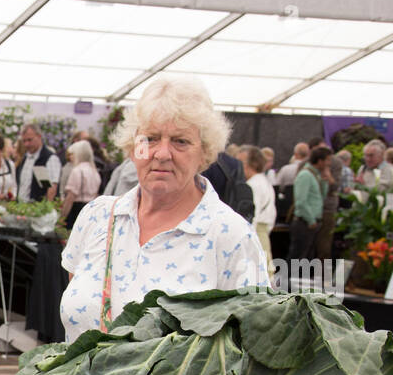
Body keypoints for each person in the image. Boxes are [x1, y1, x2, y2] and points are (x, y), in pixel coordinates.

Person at [59, 75, 268, 342]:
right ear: (133, 147)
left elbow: (250, 346)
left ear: (204, 151)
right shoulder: (97, 217)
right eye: (151, 138)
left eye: (180, 141)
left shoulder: (231, 236)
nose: (162, 153)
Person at [290, 146, 332, 261]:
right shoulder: (305, 175)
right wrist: (311, 220)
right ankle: (288, 278)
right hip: (304, 222)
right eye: (328, 160)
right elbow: (301, 201)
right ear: (320, 161)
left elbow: (321, 197)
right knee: (297, 257)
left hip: (312, 222)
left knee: (307, 258)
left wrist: (324, 181)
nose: (329, 163)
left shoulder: (316, 174)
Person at [242, 145, 276, 277]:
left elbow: (252, 215)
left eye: (241, 162)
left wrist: (249, 240)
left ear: (251, 164)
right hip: (263, 230)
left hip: (257, 231)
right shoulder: (264, 181)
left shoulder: (253, 185)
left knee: (261, 273)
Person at [60, 139, 101, 230]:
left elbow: (70, 197)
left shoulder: (77, 171)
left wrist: (62, 217)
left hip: (77, 210)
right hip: (91, 210)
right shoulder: (94, 171)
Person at [17, 123, 61, 203]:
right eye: (24, 141)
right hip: (21, 208)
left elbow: (51, 188)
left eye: (30, 140)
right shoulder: (25, 158)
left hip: (36, 211)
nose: (26, 144)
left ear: (39, 137)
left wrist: (45, 210)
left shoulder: (49, 158)